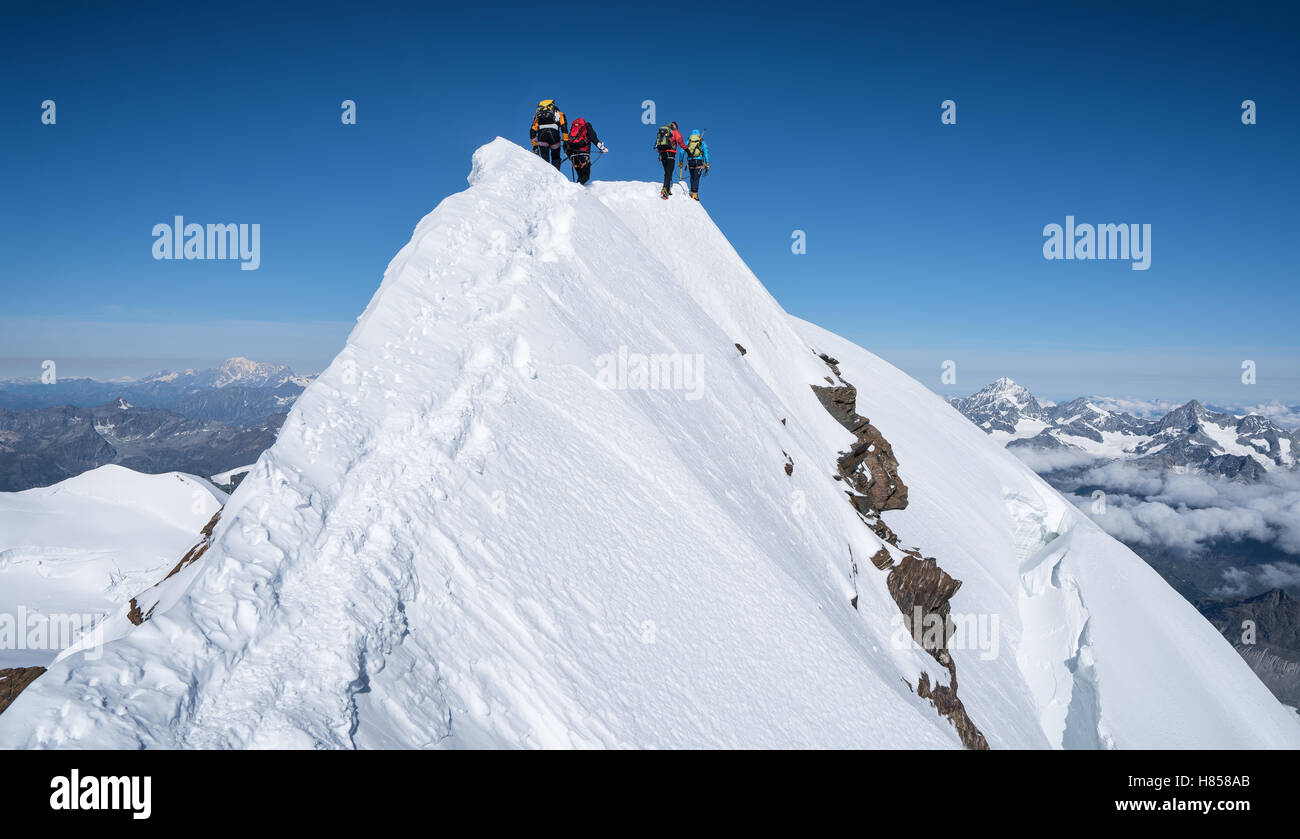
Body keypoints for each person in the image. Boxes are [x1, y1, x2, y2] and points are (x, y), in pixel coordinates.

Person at [565, 118, 608, 185]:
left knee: (580, 176)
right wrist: (601, 147)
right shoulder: (587, 126)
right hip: (583, 155)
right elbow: (593, 138)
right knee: (586, 176)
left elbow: (567, 142)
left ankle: (578, 188)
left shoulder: (573, 129)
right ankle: (577, 188)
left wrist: (568, 153)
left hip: (573, 156)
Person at [653, 121, 686, 198]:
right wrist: (687, 150)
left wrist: (660, 154)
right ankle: (665, 188)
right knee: (669, 171)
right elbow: (680, 142)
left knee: (666, 171)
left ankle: (668, 187)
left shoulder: (663, 131)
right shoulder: (675, 132)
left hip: (662, 153)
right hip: (670, 154)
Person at [530, 99, 567, 169]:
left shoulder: (538, 116)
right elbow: (564, 128)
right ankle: (556, 175)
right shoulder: (560, 114)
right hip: (554, 136)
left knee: (544, 160)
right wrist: (566, 142)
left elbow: (532, 131)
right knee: (556, 158)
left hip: (541, 136)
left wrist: (535, 146)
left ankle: (546, 175)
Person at [683, 128, 710, 200]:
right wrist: (707, 163)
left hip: (690, 161)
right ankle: (695, 193)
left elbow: (682, 151)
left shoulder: (688, 141)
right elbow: (706, 152)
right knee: (696, 177)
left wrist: (681, 161)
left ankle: (692, 192)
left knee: (692, 177)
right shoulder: (701, 141)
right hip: (699, 161)